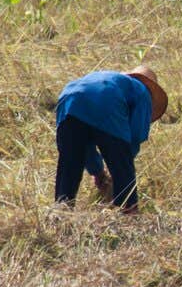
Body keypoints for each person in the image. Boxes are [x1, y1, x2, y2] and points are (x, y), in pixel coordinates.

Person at [53, 66, 168, 211]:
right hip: (107, 98)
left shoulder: (112, 80)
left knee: (69, 164)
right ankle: (128, 214)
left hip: (68, 98)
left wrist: (98, 172)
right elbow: (136, 135)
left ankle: (61, 212)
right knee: (123, 171)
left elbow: (85, 147)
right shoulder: (143, 91)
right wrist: (121, 163)